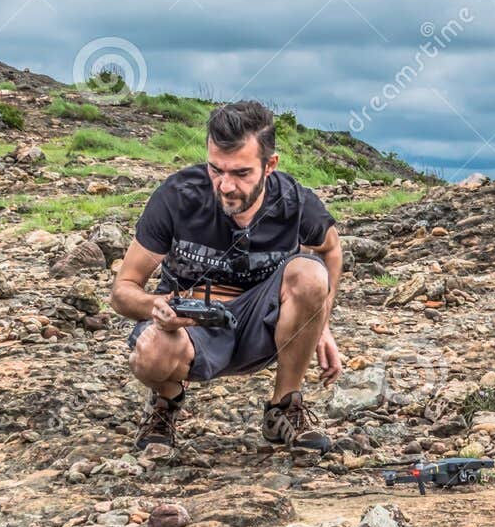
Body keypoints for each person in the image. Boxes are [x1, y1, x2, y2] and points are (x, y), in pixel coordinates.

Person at [111, 100, 343, 457]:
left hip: (261, 324)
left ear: (270, 166)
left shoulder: (295, 201)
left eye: (241, 173)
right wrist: (159, 306)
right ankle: (166, 401)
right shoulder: (177, 195)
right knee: (150, 355)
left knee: (310, 274)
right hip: (191, 324)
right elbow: (123, 291)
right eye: (216, 170)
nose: (225, 185)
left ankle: (284, 407)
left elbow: (330, 250)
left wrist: (320, 323)